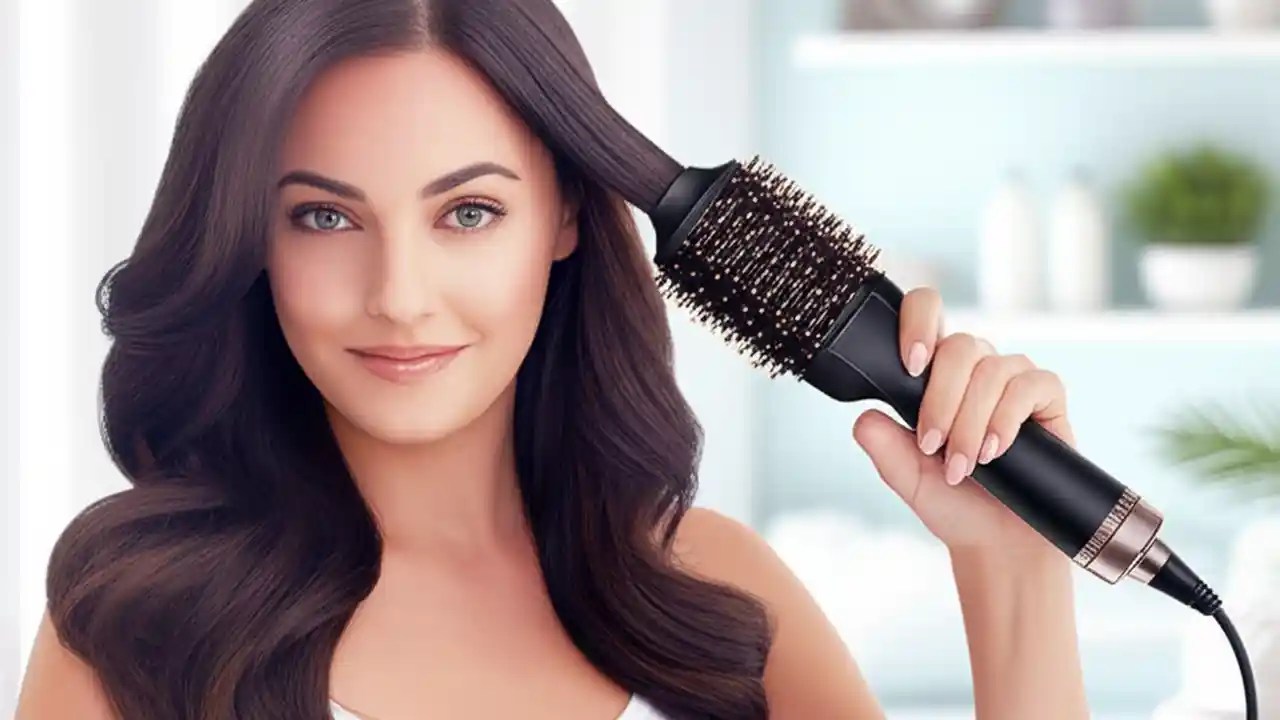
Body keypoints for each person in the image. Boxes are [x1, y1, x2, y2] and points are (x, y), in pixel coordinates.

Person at [16, 1, 1091, 718]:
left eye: (468, 212)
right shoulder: (138, 620)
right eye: (325, 220)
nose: (399, 295)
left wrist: (1011, 573)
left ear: (566, 217)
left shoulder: (712, 596)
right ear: (246, 236)